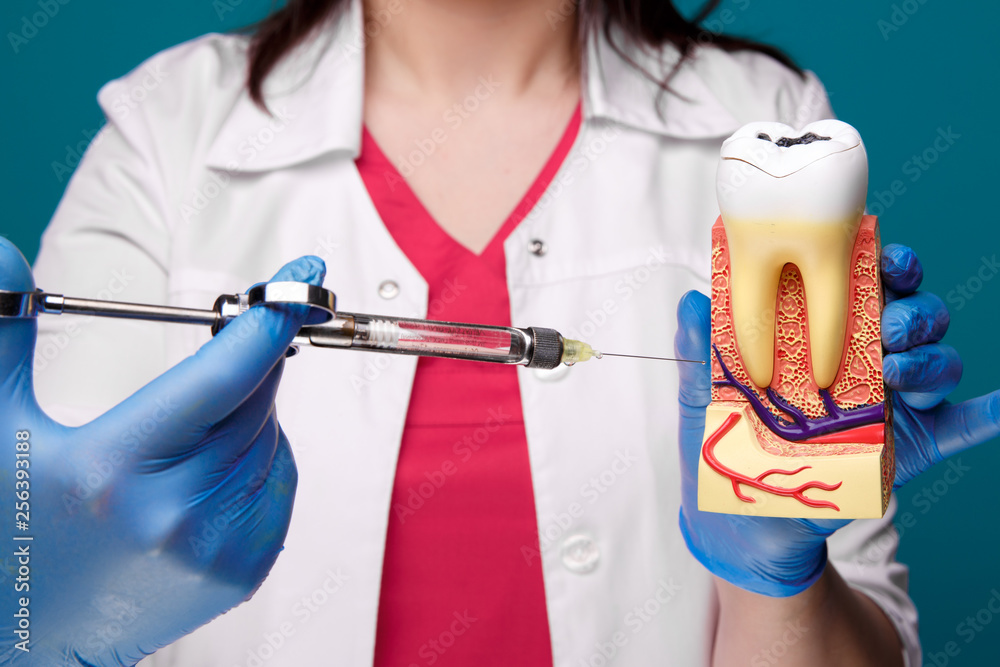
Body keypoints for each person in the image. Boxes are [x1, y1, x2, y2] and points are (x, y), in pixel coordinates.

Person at [9, 0, 999, 664]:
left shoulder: (762, 128)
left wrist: (782, 580)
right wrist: (44, 569)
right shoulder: (167, 134)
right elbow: (48, 601)